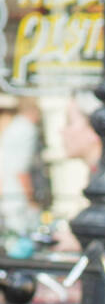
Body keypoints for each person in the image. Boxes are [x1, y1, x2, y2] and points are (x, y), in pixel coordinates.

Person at [0, 98, 43, 235]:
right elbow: (21, 169)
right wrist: (30, 199)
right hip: (18, 196)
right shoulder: (26, 129)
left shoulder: (13, 127)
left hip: (8, 193)